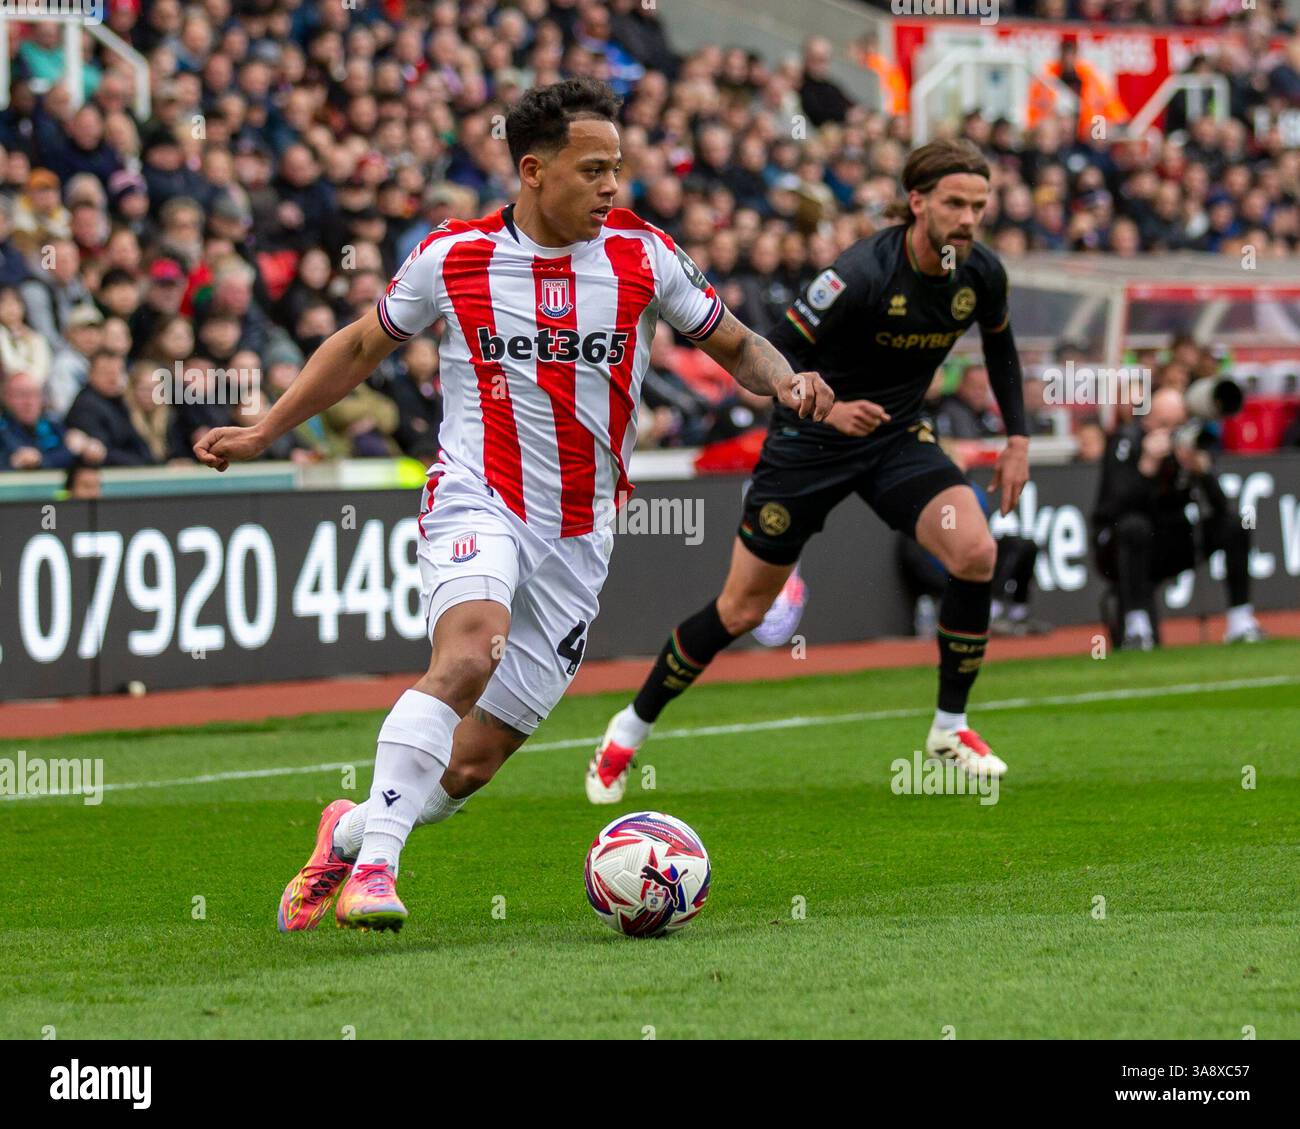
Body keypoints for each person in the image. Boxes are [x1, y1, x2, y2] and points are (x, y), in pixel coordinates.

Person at [191, 78, 833, 933]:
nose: (613, 186)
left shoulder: (645, 257)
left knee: (468, 768)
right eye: (594, 169)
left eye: (619, 168)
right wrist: (268, 428)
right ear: (533, 170)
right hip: (477, 497)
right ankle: (375, 871)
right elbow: (356, 346)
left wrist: (788, 382)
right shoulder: (452, 258)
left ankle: (348, 830)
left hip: (581, 534)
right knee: (465, 657)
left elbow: (737, 344)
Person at [587, 138, 1030, 805]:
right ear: (917, 203)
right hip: (809, 443)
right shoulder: (860, 274)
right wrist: (832, 407)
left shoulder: (981, 273)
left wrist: (1018, 436)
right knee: (740, 608)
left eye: (979, 204)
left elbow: (1001, 348)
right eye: (954, 203)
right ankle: (630, 725)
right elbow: (778, 354)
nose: (969, 218)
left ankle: (949, 726)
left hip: (895, 438)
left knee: (975, 551)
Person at [1092, 386, 1263, 650]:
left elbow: (1220, 507)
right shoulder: (1126, 441)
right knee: (1134, 526)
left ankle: (1240, 621)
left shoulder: (1188, 444)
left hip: (1171, 541)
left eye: (1178, 425)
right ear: (1148, 420)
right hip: (1121, 549)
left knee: (1234, 525)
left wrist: (1202, 471)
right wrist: (1147, 467)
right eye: (1164, 425)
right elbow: (1115, 508)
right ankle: (1137, 629)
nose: (1171, 433)